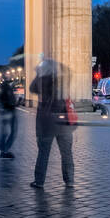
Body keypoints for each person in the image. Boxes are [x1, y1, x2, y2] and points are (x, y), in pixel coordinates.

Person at [29, 61, 74, 189]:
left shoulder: (42, 83)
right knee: (67, 153)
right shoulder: (64, 82)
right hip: (64, 122)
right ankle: (69, 180)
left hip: (47, 124)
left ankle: (39, 181)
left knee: (43, 153)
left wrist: (39, 74)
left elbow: (32, 88)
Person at [0, 77, 18, 159]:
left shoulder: (4, 87)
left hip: (6, 111)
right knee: (12, 132)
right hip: (9, 112)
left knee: (5, 132)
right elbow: (8, 100)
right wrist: (13, 105)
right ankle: (4, 151)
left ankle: (3, 150)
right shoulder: (7, 88)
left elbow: (1, 99)